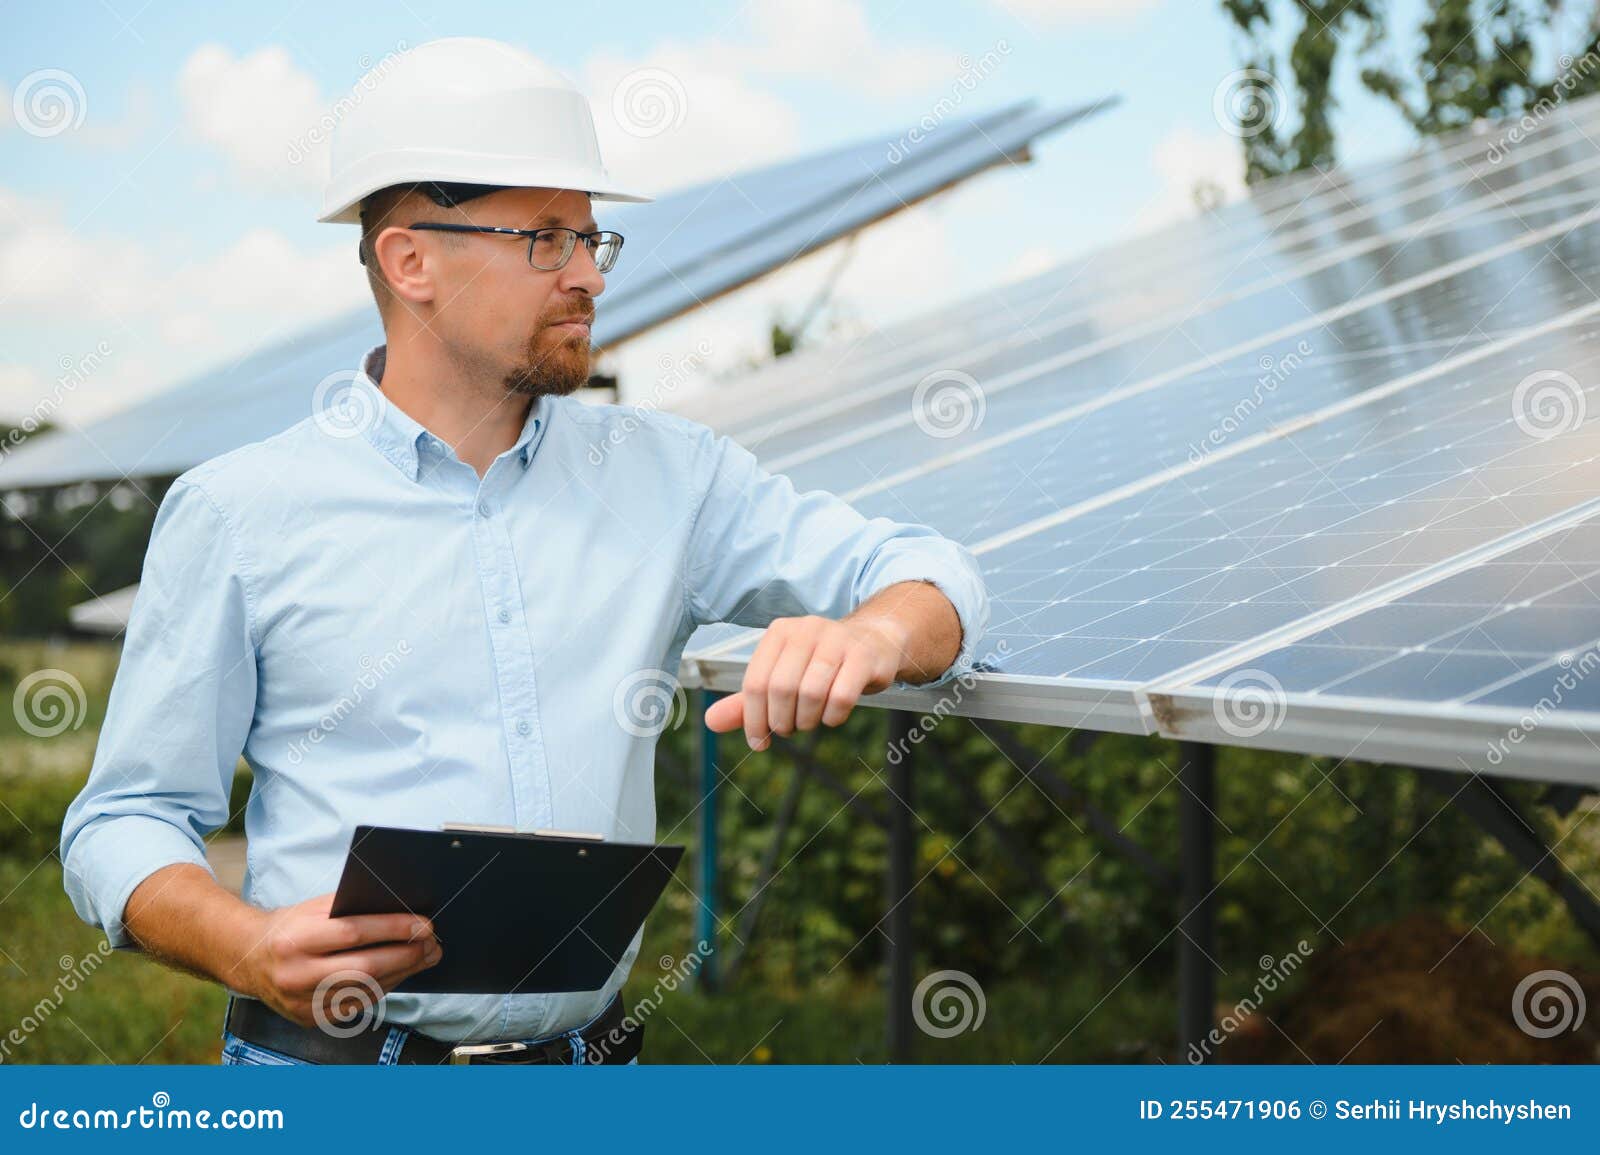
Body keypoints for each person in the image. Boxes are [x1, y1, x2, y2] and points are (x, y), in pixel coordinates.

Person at [60, 36, 990, 1066]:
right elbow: (124, 819)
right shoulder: (242, 511)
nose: (588, 273)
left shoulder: (672, 478)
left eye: (594, 239)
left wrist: (873, 634)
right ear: (410, 259)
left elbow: (933, 578)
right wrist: (244, 944)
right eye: (546, 239)